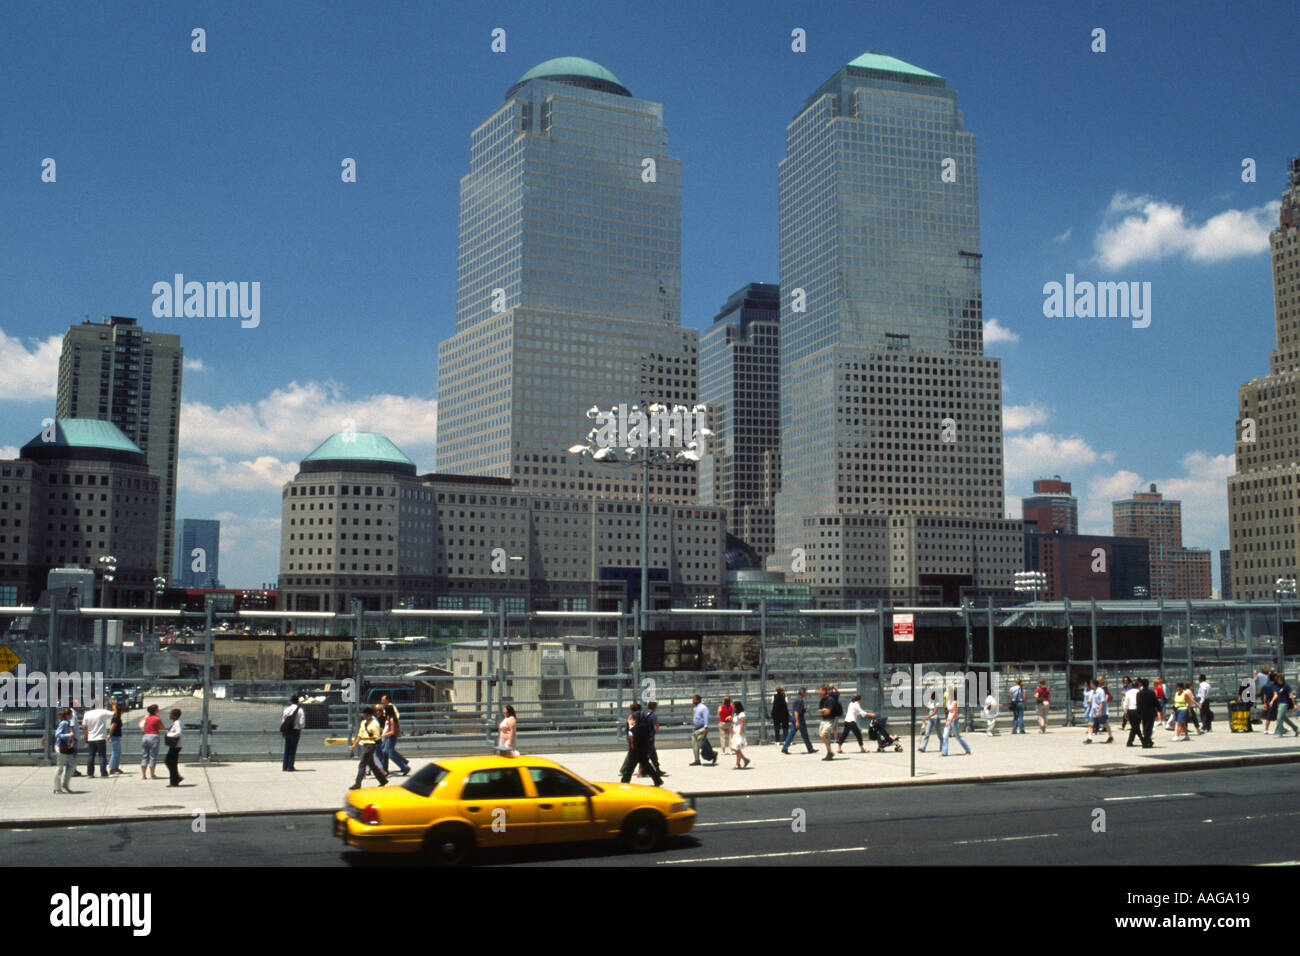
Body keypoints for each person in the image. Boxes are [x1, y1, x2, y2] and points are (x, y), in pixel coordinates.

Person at [620, 705, 663, 786]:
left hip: (635, 746)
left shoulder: (633, 719)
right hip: (643, 745)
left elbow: (631, 733)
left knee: (630, 765)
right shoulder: (644, 719)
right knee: (645, 764)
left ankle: (624, 782)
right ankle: (657, 780)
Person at [349, 706, 388, 790]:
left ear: (370, 715)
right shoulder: (363, 723)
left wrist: (366, 738)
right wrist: (354, 745)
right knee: (372, 765)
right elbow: (359, 735)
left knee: (362, 764)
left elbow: (377, 737)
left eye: (366, 714)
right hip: (365, 745)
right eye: (364, 714)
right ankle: (383, 780)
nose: (365, 716)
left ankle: (357, 783)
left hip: (371, 745)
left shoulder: (375, 723)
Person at [379, 701, 412, 774]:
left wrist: (383, 735)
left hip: (392, 738)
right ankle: (385, 769)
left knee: (390, 754)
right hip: (389, 737)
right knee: (385, 751)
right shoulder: (391, 719)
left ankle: (405, 767)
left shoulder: (392, 719)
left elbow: (392, 732)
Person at [82, 699, 112, 778]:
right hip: (100, 737)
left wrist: (86, 737)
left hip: (91, 738)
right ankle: (103, 772)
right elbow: (114, 714)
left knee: (91, 756)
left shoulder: (87, 714)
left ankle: (90, 773)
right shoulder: (101, 712)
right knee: (102, 756)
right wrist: (113, 705)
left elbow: (84, 727)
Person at [782, 687, 815, 754]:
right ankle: (810, 749)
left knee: (791, 733)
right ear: (803, 693)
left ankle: (784, 748)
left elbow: (798, 710)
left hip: (796, 718)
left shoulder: (798, 699)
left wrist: (804, 710)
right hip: (799, 719)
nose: (806, 693)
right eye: (805, 692)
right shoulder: (799, 700)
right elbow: (796, 712)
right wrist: (797, 721)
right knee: (804, 734)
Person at [941, 686, 971, 756]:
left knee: (958, 737)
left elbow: (954, 713)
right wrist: (947, 719)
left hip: (954, 721)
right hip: (949, 719)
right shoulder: (948, 701)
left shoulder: (955, 702)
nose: (947, 693)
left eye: (948, 692)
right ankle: (944, 752)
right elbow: (949, 710)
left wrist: (949, 721)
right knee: (945, 735)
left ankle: (968, 749)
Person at [638, 700, 666, 777]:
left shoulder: (643, 713)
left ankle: (657, 769)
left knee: (653, 755)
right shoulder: (653, 715)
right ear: (654, 707)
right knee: (647, 755)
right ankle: (641, 771)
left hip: (643, 737)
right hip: (650, 738)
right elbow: (656, 727)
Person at [53, 707, 75, 794]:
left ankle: (65, 784)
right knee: (60, 768)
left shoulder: (67, 723)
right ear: (67, 715)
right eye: (70, 714)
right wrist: (69, 735)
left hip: (67, 747)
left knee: (72, 765)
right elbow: (57, 734)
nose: (72, 716)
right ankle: (57, 788)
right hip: (61, 747)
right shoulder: (63, 723)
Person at [689, 694, 717, 765]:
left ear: (698, 700)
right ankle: (697, 760)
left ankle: (712, 754)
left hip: (702, 728)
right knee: (694, 745)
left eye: (694, 699)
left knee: (700, 744)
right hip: (695, 728)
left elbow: (705, 718)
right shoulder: (696, 708)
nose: (693, 701)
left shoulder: (703, 708)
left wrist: (706, 727)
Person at [281, 694, 305, 772]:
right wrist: (300, 729)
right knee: (293, 749)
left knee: (286, 749)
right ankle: (290, 766)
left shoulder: (286, 709)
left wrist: (283, 732)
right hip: (295, 731)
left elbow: (283, 721)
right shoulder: (300, 710)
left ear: (291, 701)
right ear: (298, 701)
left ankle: (285, 766)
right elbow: (302, 722)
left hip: (287, 731)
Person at [139, 704, 163, 779]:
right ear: (155, 710)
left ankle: (143, 775)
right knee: (153, 756)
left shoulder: (146, 717)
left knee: (144, 756)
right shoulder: (157, 718)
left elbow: (140, 725)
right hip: (154, 736)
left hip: (145, 736)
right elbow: (162, 727)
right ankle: (152, 774)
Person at [1135, 678, 1159, 748]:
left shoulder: (1139, 693)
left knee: (1145, 726)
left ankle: (1148, 741)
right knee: (1149, 727)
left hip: (1143, 712)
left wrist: (1138, 712)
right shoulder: (1151, 692)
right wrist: (1159, 709)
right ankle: (1145, 742)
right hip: (1150, 712)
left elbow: (1138, 703)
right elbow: (1155, 702)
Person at [816, 685, 837, 760]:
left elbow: (828, 712)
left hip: (830, 720)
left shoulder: (830, 699)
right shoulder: (822, 700)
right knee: (824, 736)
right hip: (823, 720)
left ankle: (830, 752)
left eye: (821, 690)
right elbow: (819, 710)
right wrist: (823, 710)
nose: (819, 692)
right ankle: (829, 753)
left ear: (825, 691)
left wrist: (823, 711)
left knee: (823, 735)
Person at [163, 708, 184, 786]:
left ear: (174, 716)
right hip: (175, 745)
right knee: (172, 763)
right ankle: (175, 778)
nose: (169, 715)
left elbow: (178, 733)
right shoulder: (175, 723)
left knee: (169, 761)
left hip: (176, 746)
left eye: (171, 714)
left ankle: (175, 779)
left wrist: (168, 734)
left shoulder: (177, 723)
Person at [731, 701, 751, 769]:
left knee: (736, 747)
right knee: (735, 748)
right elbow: (734, 722)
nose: (732, 708)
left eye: (733, 707)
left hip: (739, 732)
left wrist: (740, 732)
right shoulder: (735, 714)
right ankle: (744, 760)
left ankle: (740, 763)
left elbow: (742, 723)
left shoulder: (741, 714)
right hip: (735, 732)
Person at [107, 701, 125, 775]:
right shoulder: (116, 718)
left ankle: (116, 767)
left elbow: (115, 709)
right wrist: (109, 735)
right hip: (114, 737)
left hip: (116, 737)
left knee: (118, 752)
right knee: (115, 753)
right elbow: (112, 727)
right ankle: (112, 767)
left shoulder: (117, 716)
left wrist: (113, 704)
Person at [1124, 678, 1142, 746]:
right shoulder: (1139, 692)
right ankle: (1142, 740)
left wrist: (1125, 712)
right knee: (1136, 726)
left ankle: (1130, 741)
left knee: (1134, 726)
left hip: (1130, 710)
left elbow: (1126, 703)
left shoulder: (1128, 692)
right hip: (1137, 710)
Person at [1095, 677, 1114, 743]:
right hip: (1097, 707)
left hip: (1102, 707)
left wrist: (1104, 702)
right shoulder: (1097, 689)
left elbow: (1106, 696)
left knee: (1105, 722)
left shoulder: (1104, 688)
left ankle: (1110, 736)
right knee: (1093, 721)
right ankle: (1091, 734)